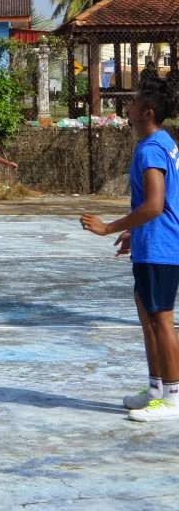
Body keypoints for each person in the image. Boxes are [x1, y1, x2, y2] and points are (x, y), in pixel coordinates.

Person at [81, 78, 179, 421]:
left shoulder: (151, 149)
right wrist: (133, 235)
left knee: (161, 321)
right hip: (152, 243)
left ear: (147, 112)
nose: (128, 106)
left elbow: (154, 205)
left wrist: (109, 227)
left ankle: (173, 396)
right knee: (149, 320)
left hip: (161, 247)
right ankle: (156, 389)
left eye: (134, 102)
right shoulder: (164, 143)